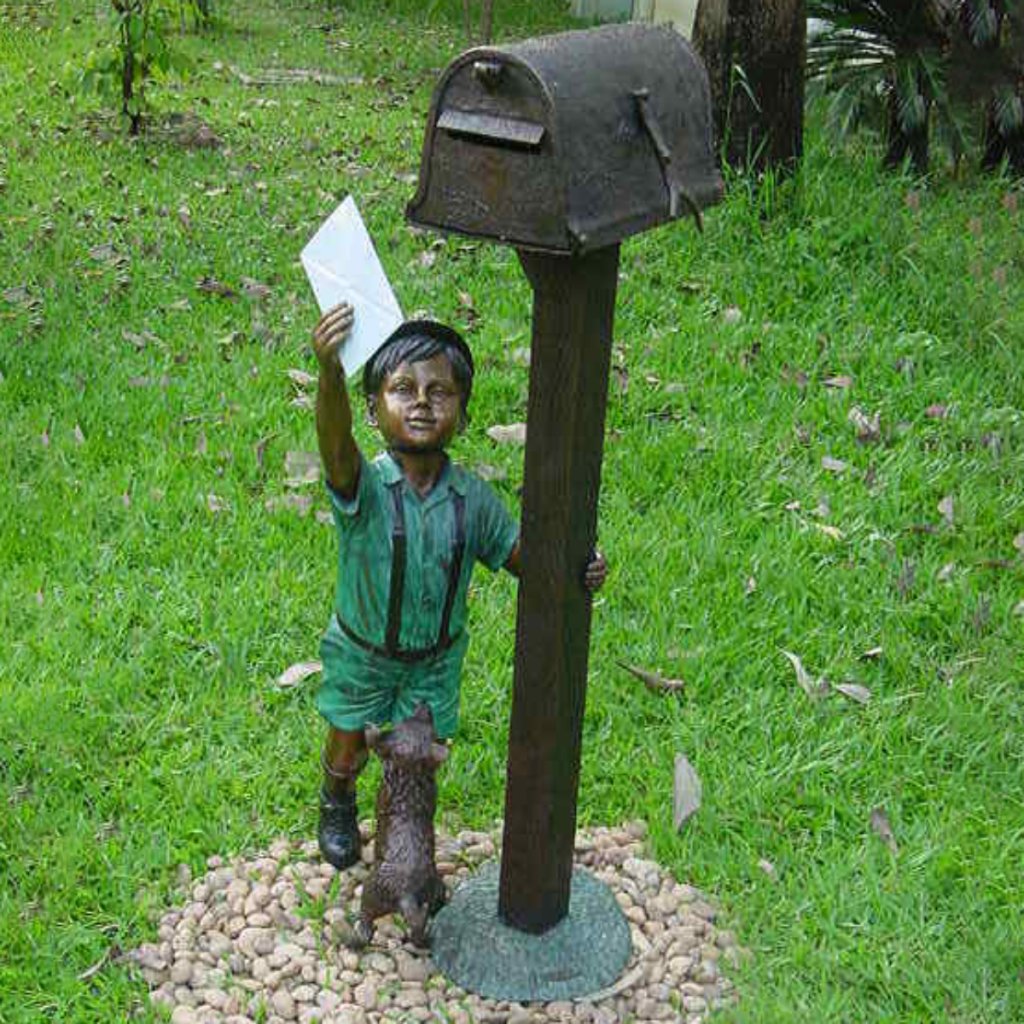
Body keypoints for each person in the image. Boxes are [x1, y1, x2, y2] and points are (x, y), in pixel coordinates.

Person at [311, 302, 607, 868]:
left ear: (464, 414)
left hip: (433, 662)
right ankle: (338, 798)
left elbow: (528, 559)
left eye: (439, 391)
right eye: (402, 388)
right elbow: (334, 445)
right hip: (363, 653)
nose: (421, 402)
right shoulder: (366, 490)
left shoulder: (475, 501)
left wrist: (577, 567)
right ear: (374, 410)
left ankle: (404, 844)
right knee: (347, 744)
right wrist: (329, 373)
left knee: (415, 765)